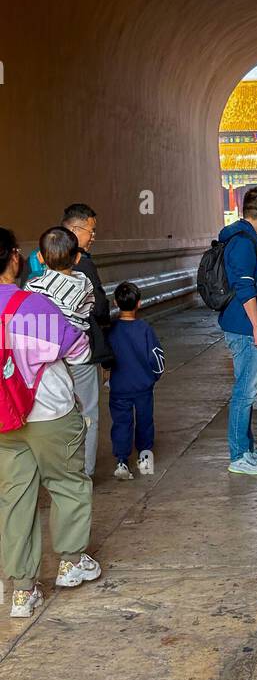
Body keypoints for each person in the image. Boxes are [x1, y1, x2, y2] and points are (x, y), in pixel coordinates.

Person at [0, 226, 101, 619]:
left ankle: (22, 592)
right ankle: (71, 562)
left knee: (14, 498)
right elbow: (76, 350)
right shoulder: (32, 305)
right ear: (13, 258)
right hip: (49, 412)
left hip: (5, 420)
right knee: (67, 484)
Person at [27, 203, 111, 478]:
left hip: (46, 357)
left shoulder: (33, 286)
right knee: (87, 412)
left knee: (50, 412)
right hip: (79, 353)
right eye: (91, 230)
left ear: (41, 256)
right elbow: (94, 310)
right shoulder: (84, 278)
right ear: (75, 257)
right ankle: (82, 471)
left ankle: (52, 467)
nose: (94, 236)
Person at [217, 185, 257, 477]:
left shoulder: (245, 238)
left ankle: (247, 449)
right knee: (244, 391)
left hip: (244, 325)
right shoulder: (243, 243)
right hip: (244, 327)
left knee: (248, 389)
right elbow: (244, 287)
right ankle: (238, 455)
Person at [107, 282, 165, 480]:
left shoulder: (111, 329)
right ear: (139, 303)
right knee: (145, 421)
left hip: (119, 387)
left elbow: (106, 358)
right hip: (142, 387)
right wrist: (154, 376)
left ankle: (122, 461)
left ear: (115, 302)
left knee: (122, 423)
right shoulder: (145, 329)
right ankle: (145, 460)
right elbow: (156, 357)